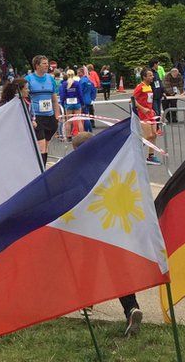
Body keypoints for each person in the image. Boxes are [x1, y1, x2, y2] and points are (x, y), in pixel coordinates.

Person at [71, 132, 143, 336]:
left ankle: (87, 302)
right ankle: (131, 308)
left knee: (89, 263)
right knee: (118, 269)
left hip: (92, 228)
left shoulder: (80, 170)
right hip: (114, 225)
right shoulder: (112, 164)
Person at [26, 55, 60, 166]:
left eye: (47, 63)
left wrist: (57, 116)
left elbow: (54, 99)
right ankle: (41, 171)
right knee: (41, 146)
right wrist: (30, 117)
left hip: (49, 116)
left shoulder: (50, 78)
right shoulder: (29, 79)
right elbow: (25, 99)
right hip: (37, 117)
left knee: (45, 145)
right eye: (44, 63)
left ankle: (41, 168)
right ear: (37, 65)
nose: (47, 65)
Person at [132, 69, 161, 165]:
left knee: (154, 134)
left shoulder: (149, 86)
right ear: (144, 77)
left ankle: (151, 156)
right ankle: (134, 151)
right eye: (150, 75)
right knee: (148, 135)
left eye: (152, 75)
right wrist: (142, 108)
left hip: (150, 114)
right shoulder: (140, 87)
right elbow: (132, 100)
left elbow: (149, 100)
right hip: (143, 114)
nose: (152, 77)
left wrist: (151, 109)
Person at [60, 69, 82, 141]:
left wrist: (62, 102)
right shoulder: (77, 83)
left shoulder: (64, 84)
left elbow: (63, 95)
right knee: (79, 120)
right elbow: (80, 94)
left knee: (68, 121)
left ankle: (69, 136)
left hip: (68, 103)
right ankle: (81, 135)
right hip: (76, 102)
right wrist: (82, 102)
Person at [78, 66, 97, 133]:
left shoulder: (81, 81)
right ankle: (90, 130)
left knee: (85, 117)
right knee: (87, 116)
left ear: (82, 73)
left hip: (83, 101)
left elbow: (80, 91)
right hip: (88, 100)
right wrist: (92, 98)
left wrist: (79, 100)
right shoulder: (89, 80)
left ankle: (86, 131)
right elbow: (93, 90)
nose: (78, 74)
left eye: (79, 73)